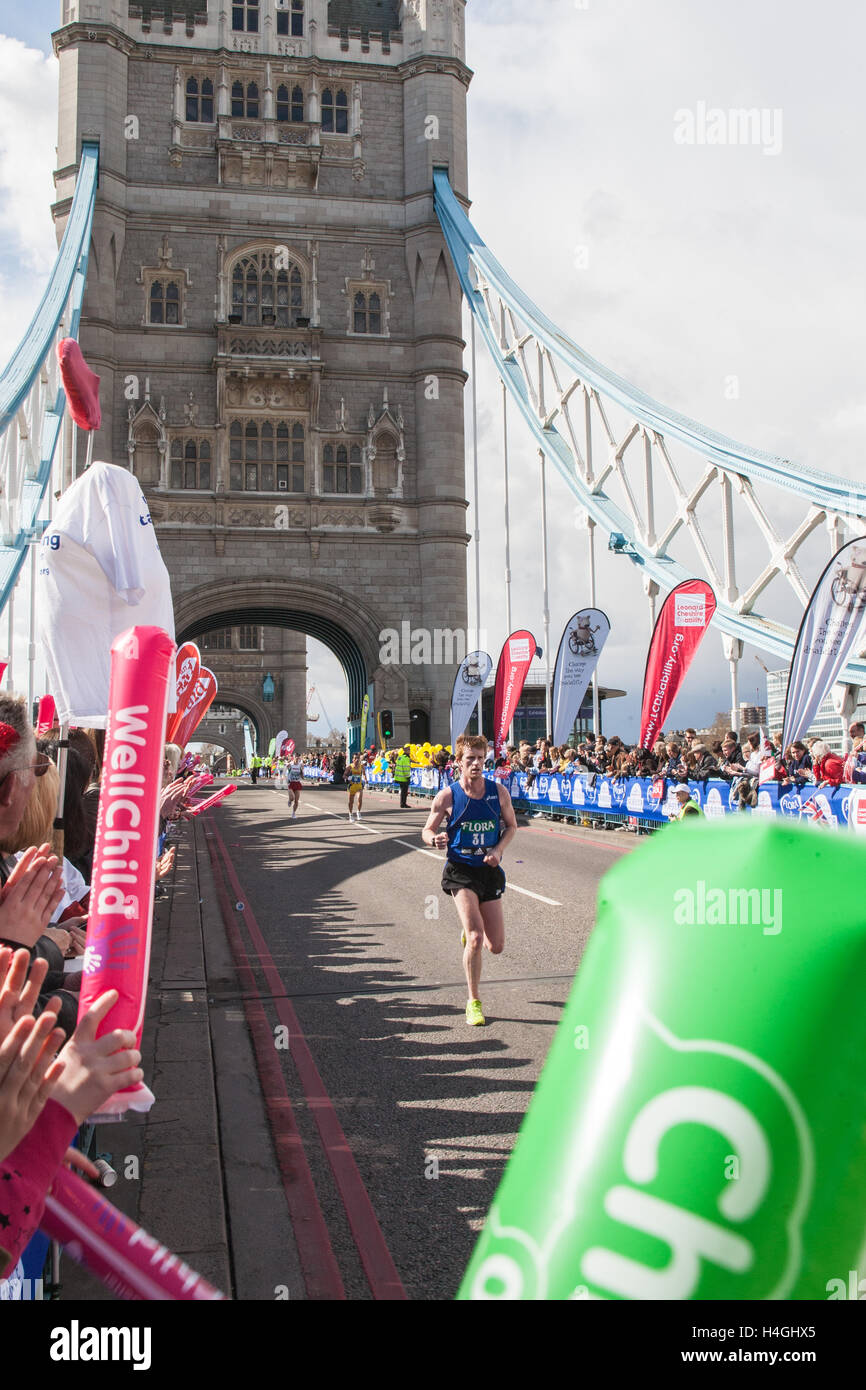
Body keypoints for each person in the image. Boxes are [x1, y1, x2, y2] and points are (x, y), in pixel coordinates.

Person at [421, 734, 518, 1027]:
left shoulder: (498, 792)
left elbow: (511, 826)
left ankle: (469, 935)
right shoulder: (447, 796)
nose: (476, 764)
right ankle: (473, 1001)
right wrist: (434, 839)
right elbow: (426, 830)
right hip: (460, 870)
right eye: (470, 760)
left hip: (488, 870)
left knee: (495, 945)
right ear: (459, 763)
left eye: (480, 758)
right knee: (476, 937)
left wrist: (499, 851)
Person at [346, 754, 365, 821]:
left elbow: (364, 774)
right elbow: (344, 775)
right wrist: (349, 778)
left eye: (358, 758)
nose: (357, 759)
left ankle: (358, 812)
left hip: (359, 786)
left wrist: (366, 780)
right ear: (353, 759)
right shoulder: (350, 767)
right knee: (351, 802)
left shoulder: (361, 766)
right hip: (352, 786)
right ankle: (350, 814)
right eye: (355, 758)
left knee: (360, 798)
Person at [286, 754, 304, 820]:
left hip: (297, 783)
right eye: (296, 758)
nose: (297, 759)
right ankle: (289, 800)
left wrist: (302, 771)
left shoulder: (300, 765)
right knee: (292, 798)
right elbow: (285, 770)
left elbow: (302, 777)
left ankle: (293, 813)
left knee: (296, 801)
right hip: (291, 783)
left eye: (298, 758)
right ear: (294, 758)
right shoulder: (290, 764)